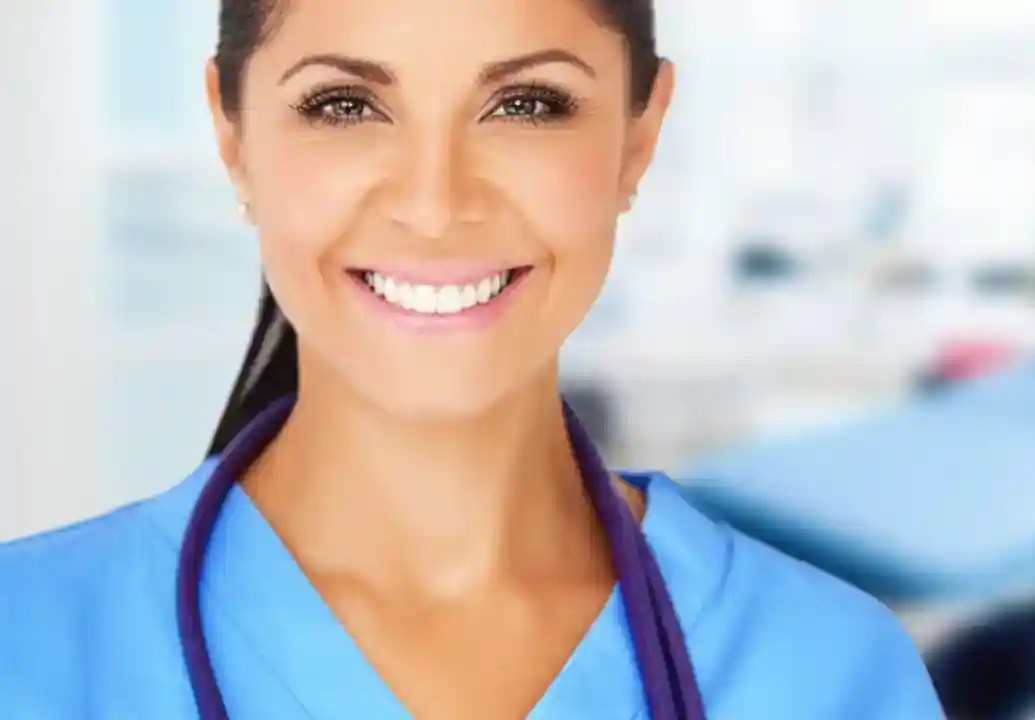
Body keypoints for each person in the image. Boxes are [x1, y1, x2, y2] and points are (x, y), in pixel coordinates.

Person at [0, 0, 944, 717]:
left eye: (526, 104)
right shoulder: (25, 644)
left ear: (637, 138)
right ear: (233, 136)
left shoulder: (827, 671)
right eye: (345, 104)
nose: (436, 202)